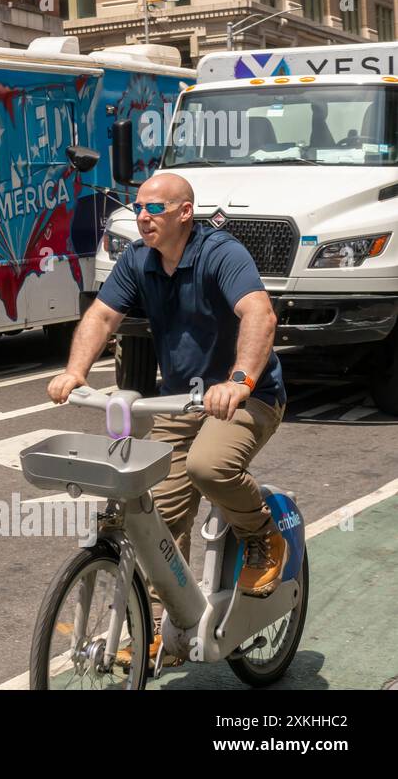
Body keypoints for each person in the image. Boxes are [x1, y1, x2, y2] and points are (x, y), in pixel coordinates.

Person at [47, 172, 287, 665]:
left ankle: (263, 536)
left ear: (184, 213)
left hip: (246, 397)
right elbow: (102, 316)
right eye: (138, 208)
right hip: (181, 402)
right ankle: (159, 626)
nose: (142, 217)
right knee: (154, 510)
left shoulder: (221, 253)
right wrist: (75, 372)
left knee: (208, 466)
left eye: (153, 209)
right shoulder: (139, 260)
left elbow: (259, 314)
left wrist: (239, 379)